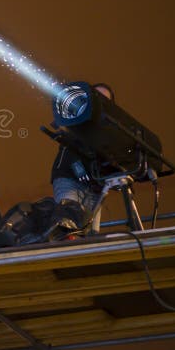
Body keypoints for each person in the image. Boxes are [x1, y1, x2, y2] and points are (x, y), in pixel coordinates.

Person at [45, 83, 115, 240]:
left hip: (95, 187)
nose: (100, 101)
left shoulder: (110, 131)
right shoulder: (75, 117)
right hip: (69, 178)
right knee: (68, 224)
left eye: (104, 99)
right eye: (96, 97)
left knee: (90, 234)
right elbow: (68, 145)